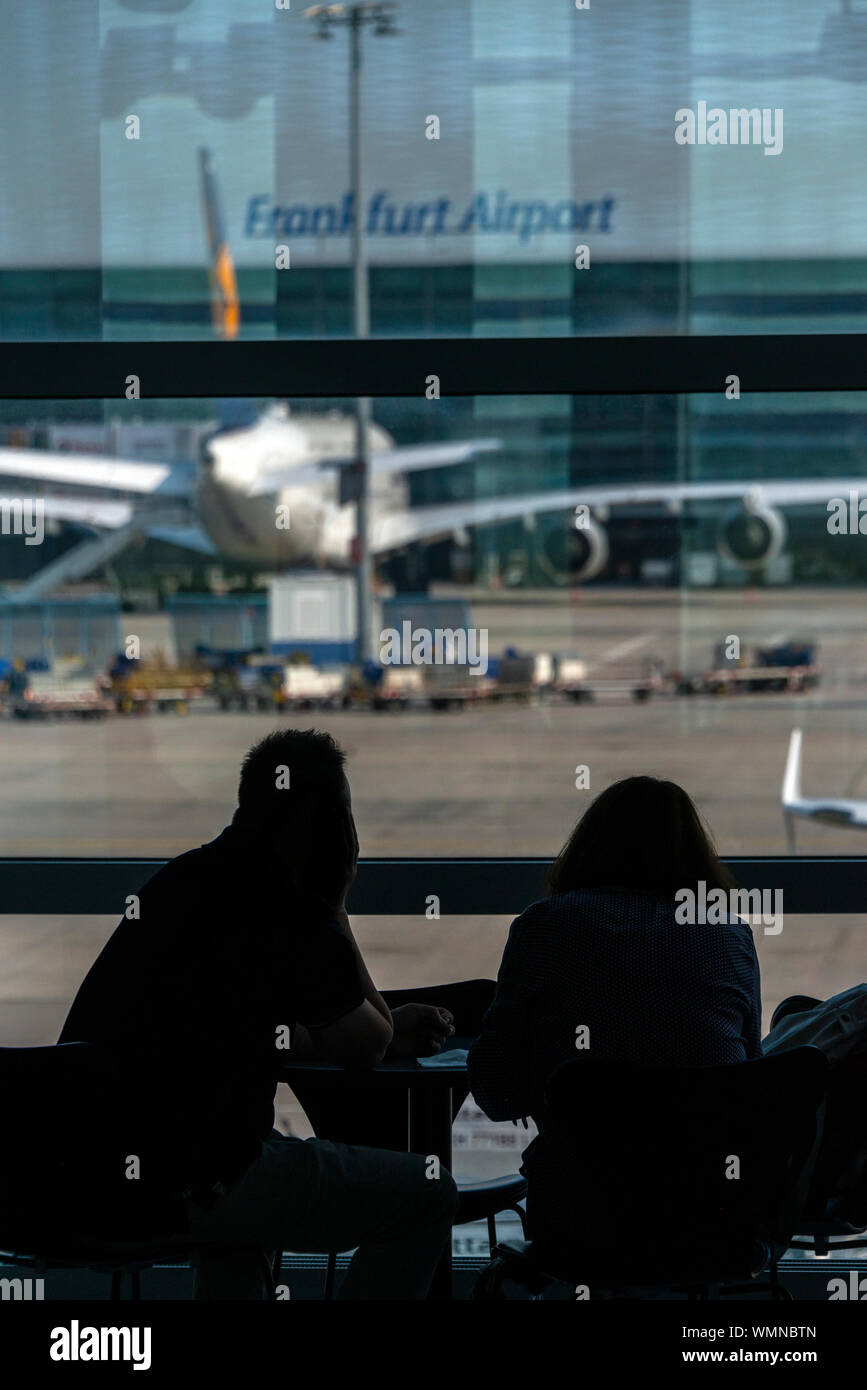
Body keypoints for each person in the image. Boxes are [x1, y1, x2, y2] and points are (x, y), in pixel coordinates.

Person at [58, 728, 459, 1299]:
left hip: (88, 1179)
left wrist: (384, 1028)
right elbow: (365, 1045)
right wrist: (337, 903)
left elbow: (237, 1033)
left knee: (242, 1229)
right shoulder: (288, 905)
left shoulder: (183, 879)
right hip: (195, 1179)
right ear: (324, 824)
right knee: (429, 1195)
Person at [467, 775, 762, 1246]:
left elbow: (494, 1091)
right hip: (708, 1213)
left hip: (582, 1212)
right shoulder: (729, 936)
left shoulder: (546, 927)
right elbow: (748, 1078)